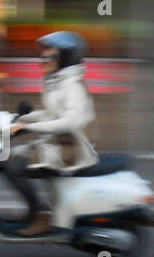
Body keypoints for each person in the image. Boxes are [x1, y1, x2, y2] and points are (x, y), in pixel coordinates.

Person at [5, 31, 98, 236]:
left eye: (50, 56)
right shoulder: (57, 82)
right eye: (43, 56)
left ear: (65, 58)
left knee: (15, 167)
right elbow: (50, 114)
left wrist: (29, 127)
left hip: (72, 148)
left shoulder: (73, 87)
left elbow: (70, 122)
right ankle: (35, 211)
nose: (44, 60)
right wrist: (18, 119)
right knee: (6, 158)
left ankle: (42, 216)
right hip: (58, 142)